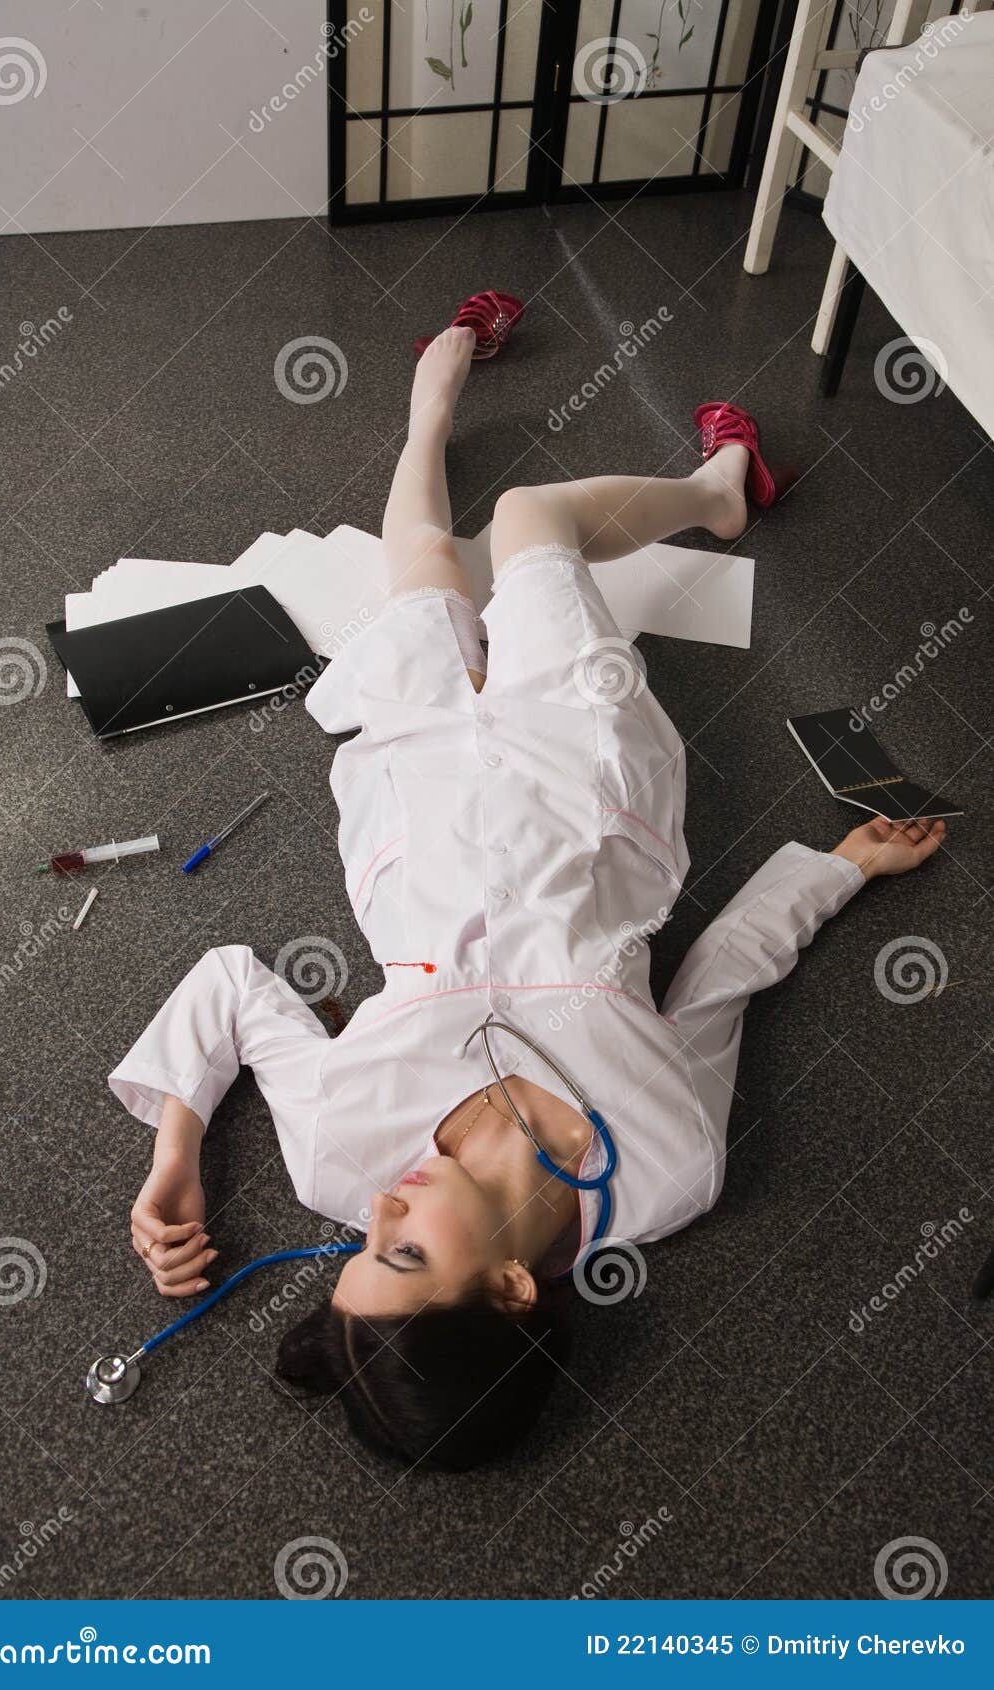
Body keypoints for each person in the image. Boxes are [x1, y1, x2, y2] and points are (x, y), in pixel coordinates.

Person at [112, 327, 945, 1470]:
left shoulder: (337, 1157)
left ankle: (424, 422)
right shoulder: (665, 1165)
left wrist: (177, 1155)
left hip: (419, 818)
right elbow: (723, 980)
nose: (380, 1209)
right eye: (403, 1249)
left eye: (362, 1244)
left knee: (420, 572)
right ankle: (715, 496)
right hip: (585, 796)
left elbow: (231, 985)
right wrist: (842, 866)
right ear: (512, 1289)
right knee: (527, 524)